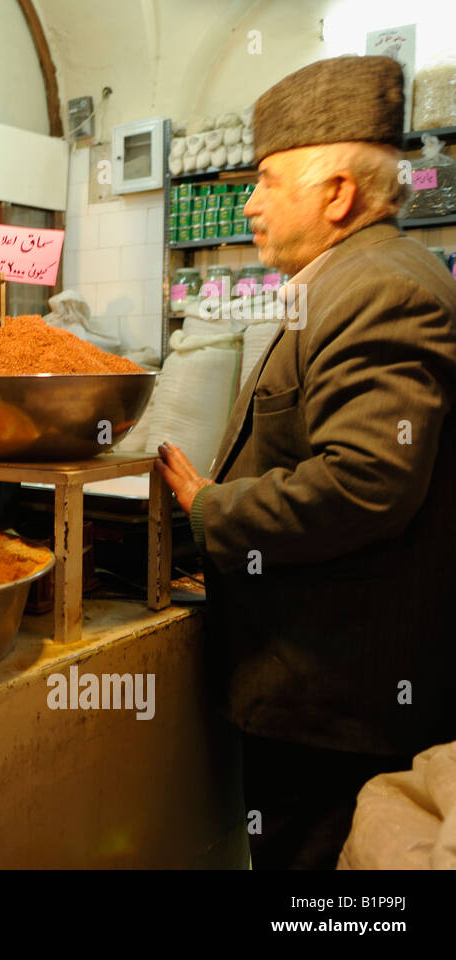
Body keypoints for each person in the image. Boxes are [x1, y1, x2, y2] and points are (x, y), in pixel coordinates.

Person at [154, 55, 456, 869]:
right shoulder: (341, 282)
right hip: (330, 690)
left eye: (265, 181)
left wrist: (213, 509)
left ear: (336, 194)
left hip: (342, 701)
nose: (249, 204)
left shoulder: (381, 290)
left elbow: (365, 482)